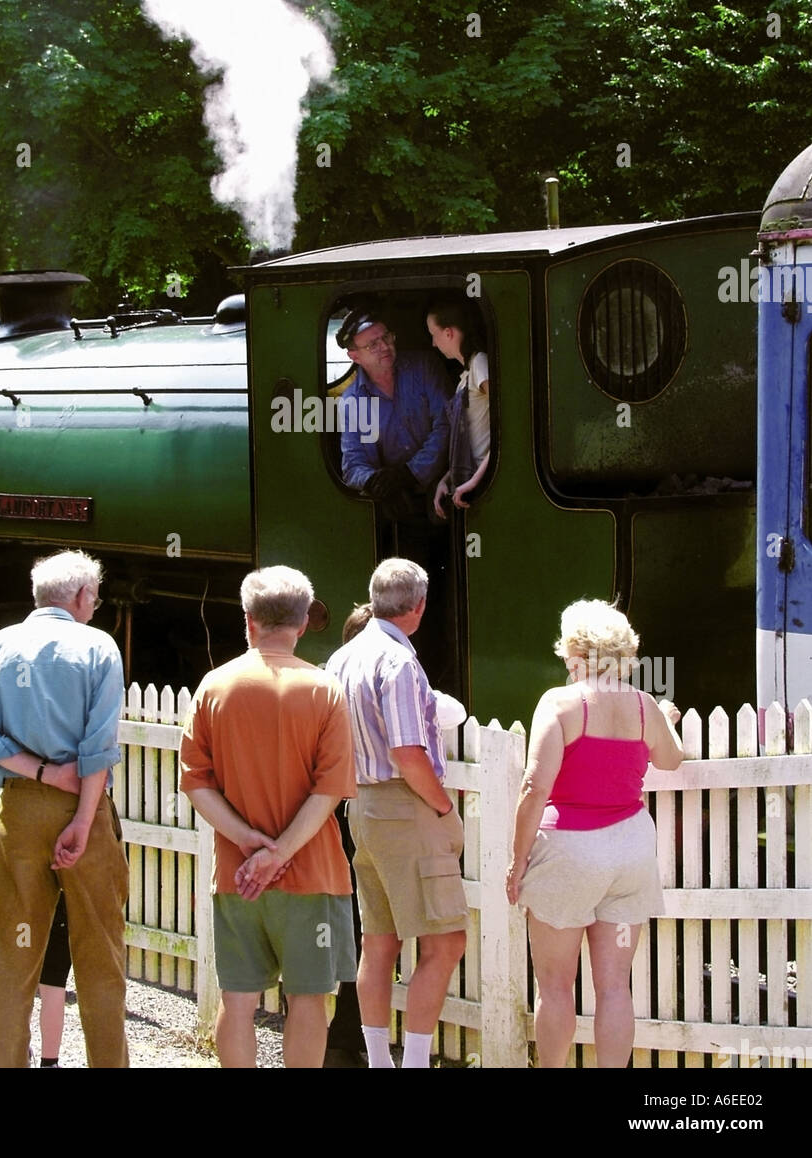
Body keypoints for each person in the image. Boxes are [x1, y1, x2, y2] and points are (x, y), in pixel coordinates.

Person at [180, 565, 357, 1069]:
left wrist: (251, 846)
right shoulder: (324, 690)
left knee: (237, 1000)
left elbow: (196, 782)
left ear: (248, 620)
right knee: (308, 1001)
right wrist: (280, 852)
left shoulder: (214, 686)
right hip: (313, 873)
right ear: (302, 624)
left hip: (238, 877)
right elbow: (330, 792)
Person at [0, 549, 129, 1069]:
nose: (95, 607)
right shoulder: (98, 647)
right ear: (81, 596)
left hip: (18, 809)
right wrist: (81, 819)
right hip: (84, 809)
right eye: (94, 599)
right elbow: (99, 746)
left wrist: (38, 771)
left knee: (12, 963)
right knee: (101, 958)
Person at [506, 599, 683, 1069]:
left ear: (575, 651)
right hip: (630, 853)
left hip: (568, 854)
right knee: (613, 986)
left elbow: (534, 786)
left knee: (556, 986)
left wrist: (517, 861)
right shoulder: (644, 706)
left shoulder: (560, 703)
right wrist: (666, 717)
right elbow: (671, 759)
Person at [326, 559, 468, 1069]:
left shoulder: (340, 658)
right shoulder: (400, 662)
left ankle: (381, 1062)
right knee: (446, 939)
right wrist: (443, 805)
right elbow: (410, 753)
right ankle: (412, 1063)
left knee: (380, 940)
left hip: (361, 805)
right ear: (419, 606)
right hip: (404, 805)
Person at [0, 794, 71, 1068]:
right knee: (54, 986)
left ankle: (15, 1052)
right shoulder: (69, 799)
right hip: (61, 901)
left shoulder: (6, 796)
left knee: (15, 982)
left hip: (21, 901)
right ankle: (50, 1061)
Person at [337, 306, 451, 519]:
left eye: (386, 337)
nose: (384, 346)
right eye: (372, 345)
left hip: (443, 485)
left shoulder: (425, 367)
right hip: (395, 502)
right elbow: (353, 464)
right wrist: (375, 482)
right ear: (355, 356)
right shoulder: (351, 401)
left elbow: (446, 424)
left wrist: (410, 472)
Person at [426, 296, 491, 517]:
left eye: (434, 335)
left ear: (448, 332)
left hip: (485, 482)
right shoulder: (465, 375)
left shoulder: (480, 364)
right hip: (470, 482)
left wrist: (474, 481)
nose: (434, 343)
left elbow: (508, 427)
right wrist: (446, 480)